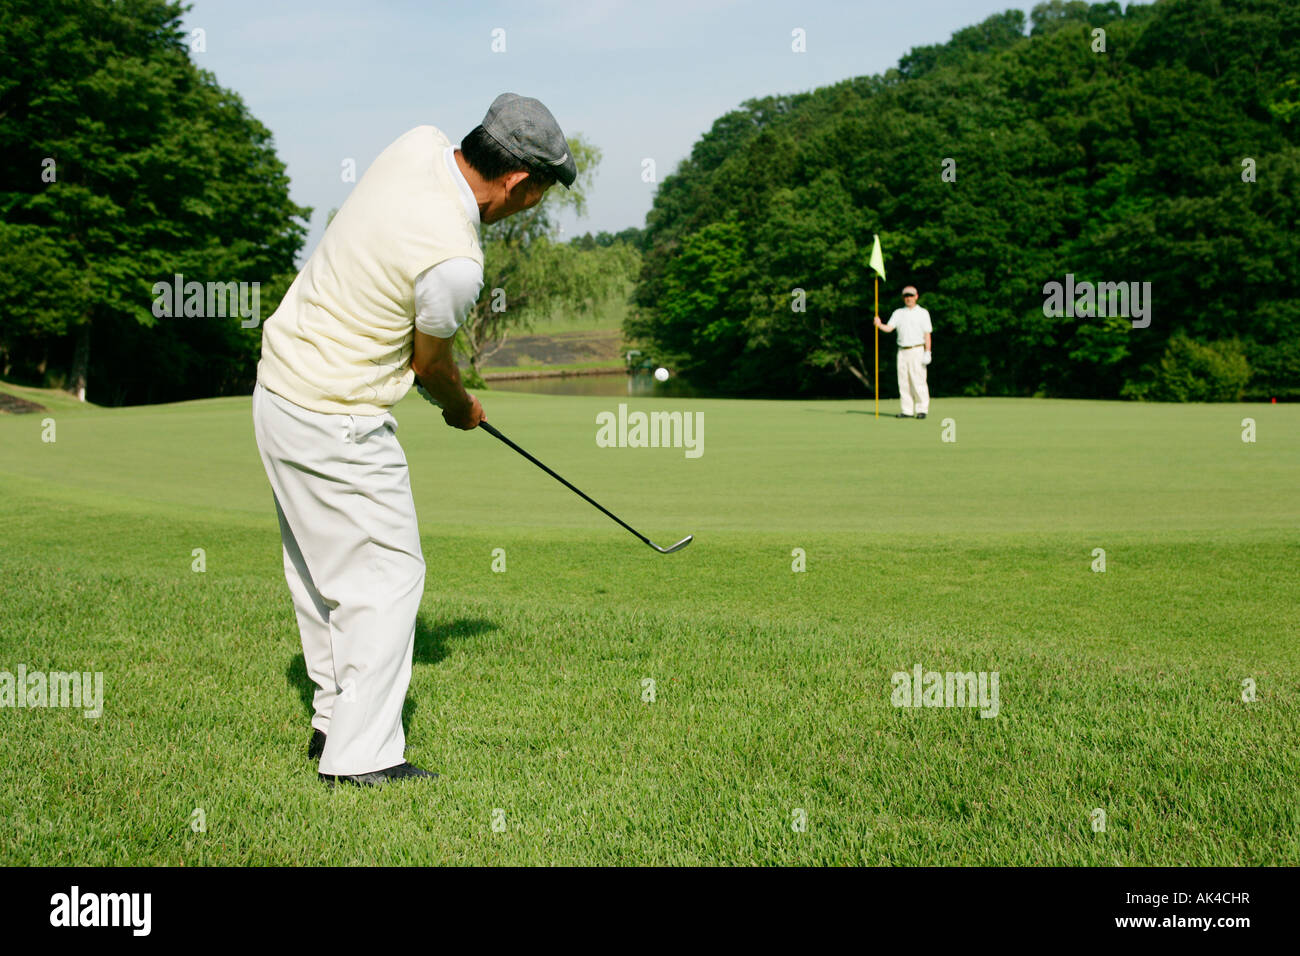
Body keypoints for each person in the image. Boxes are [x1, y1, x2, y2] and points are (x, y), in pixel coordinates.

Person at [251, 94, 576, 786]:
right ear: (518, 181)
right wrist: (463, 408)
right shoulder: (456, 262)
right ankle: (360, 759)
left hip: (279, 388)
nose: (530, 211)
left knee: (321, 575)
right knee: (388, 577)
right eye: (537, 197)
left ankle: (333, 721)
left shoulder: (417, 143)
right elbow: (429, 366)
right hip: (337, 413)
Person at [874, 285, 933, 419]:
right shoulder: (898, 313)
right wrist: (879, 324)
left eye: (911, 295)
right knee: (903, 381)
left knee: (918, 380)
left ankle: (922, 409)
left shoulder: (923, 313)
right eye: (906, 296)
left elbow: (927, 334)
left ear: (916, 296)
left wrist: (927, 351)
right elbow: (889, 328)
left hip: (917, 349)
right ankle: (907, 410)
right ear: (903, 298)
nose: (909, 298)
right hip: (902, 351)